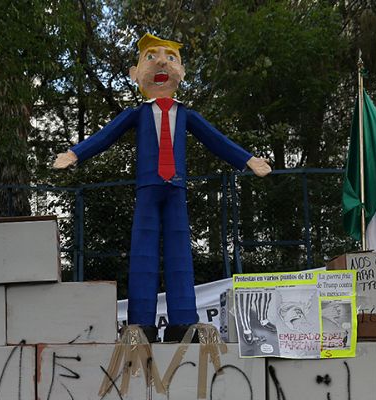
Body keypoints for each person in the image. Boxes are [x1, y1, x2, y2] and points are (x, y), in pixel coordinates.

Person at [53, 33, 271, 342]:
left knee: (180, 256)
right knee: (142, 256)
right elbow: (106, 135)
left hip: (176, 190)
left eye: (170, 58)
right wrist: (75, 154)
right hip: (147, 190)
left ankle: (183, 322)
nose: (160, 63)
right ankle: (141, 324)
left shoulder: (186, 115)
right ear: (134, 74)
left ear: (182, 72)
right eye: (151, 57)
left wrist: (248, 159)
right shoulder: (136, 114)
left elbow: (216, 140)